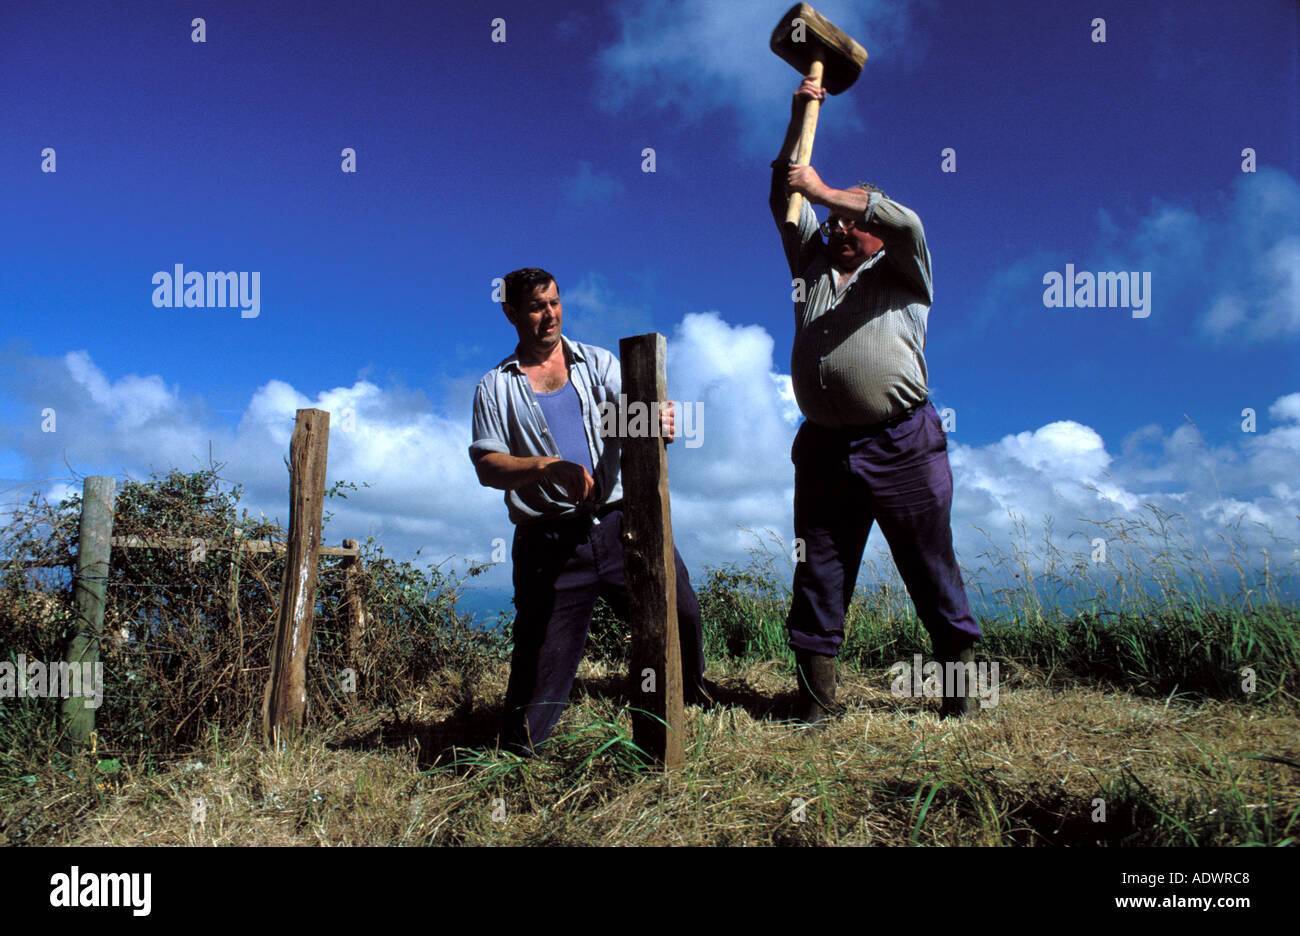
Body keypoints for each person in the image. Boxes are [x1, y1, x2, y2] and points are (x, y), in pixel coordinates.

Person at [771, 79, 982, 723]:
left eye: (851, 221)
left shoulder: (904, 269)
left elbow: (903, 218)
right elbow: (784, 188)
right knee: (820, 569)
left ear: (873, 232)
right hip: (825, 450)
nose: (837, 226)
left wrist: (827, 190)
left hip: (901, 443)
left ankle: (961, 697)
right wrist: (801, 113)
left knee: (928, 565)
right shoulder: (810, 267)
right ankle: (816, 703)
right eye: (831, 221)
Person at [469, 267, 713, 754]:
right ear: (512, 313)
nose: (550, 315)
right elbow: (488, 465)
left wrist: (655, 417)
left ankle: (692, 701)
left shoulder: (596, 364)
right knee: (539, 672)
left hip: (622, 522)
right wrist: (544, 466)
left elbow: (629, 418)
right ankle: (521, 749)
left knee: (680, 613)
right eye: (537, 307)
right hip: (548, 539)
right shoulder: (495, 386)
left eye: (555, 302)